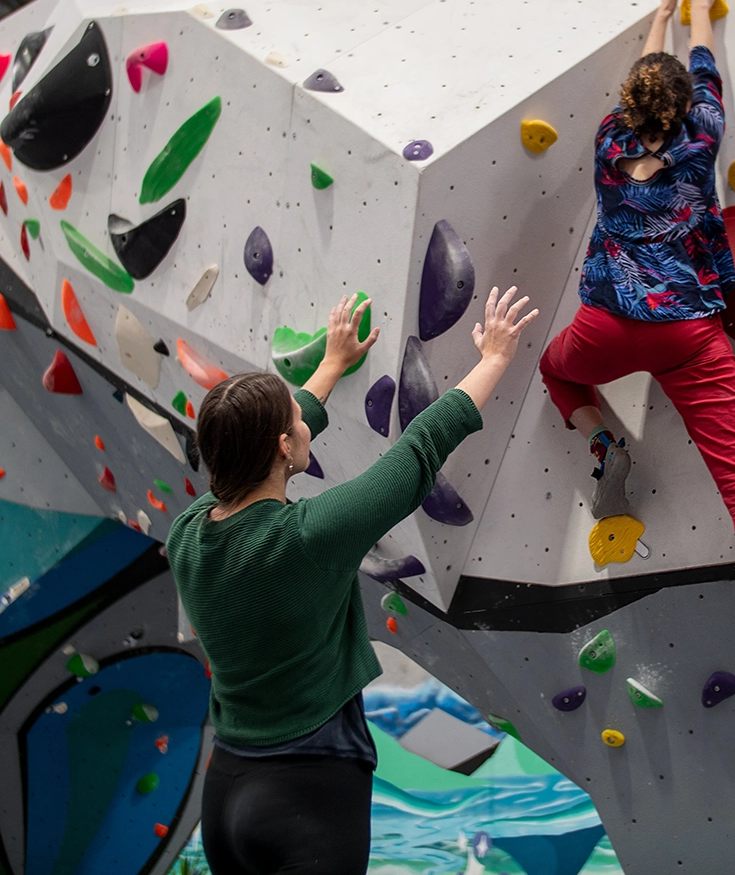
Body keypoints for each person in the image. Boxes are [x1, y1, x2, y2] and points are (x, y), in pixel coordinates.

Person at [167, 287, 537, 875]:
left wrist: (331, 366)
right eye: (293, 419)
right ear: (286, 446)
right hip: (306, 797)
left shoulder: (185, 534)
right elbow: (417, 451)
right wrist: (493, 358)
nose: (300, 414)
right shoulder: (310, 535)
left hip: (229, 789)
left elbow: (260, 444)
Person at [538, 0, 735, 677]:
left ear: (629, 103)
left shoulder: (608, 142)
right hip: (691, 332)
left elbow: (648, 79)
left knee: (554, 369)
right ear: (684, 105)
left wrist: (658, 13)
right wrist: (697, 11)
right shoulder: (702, 137)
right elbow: (705, 73)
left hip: (609, 322)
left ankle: (604, 442)